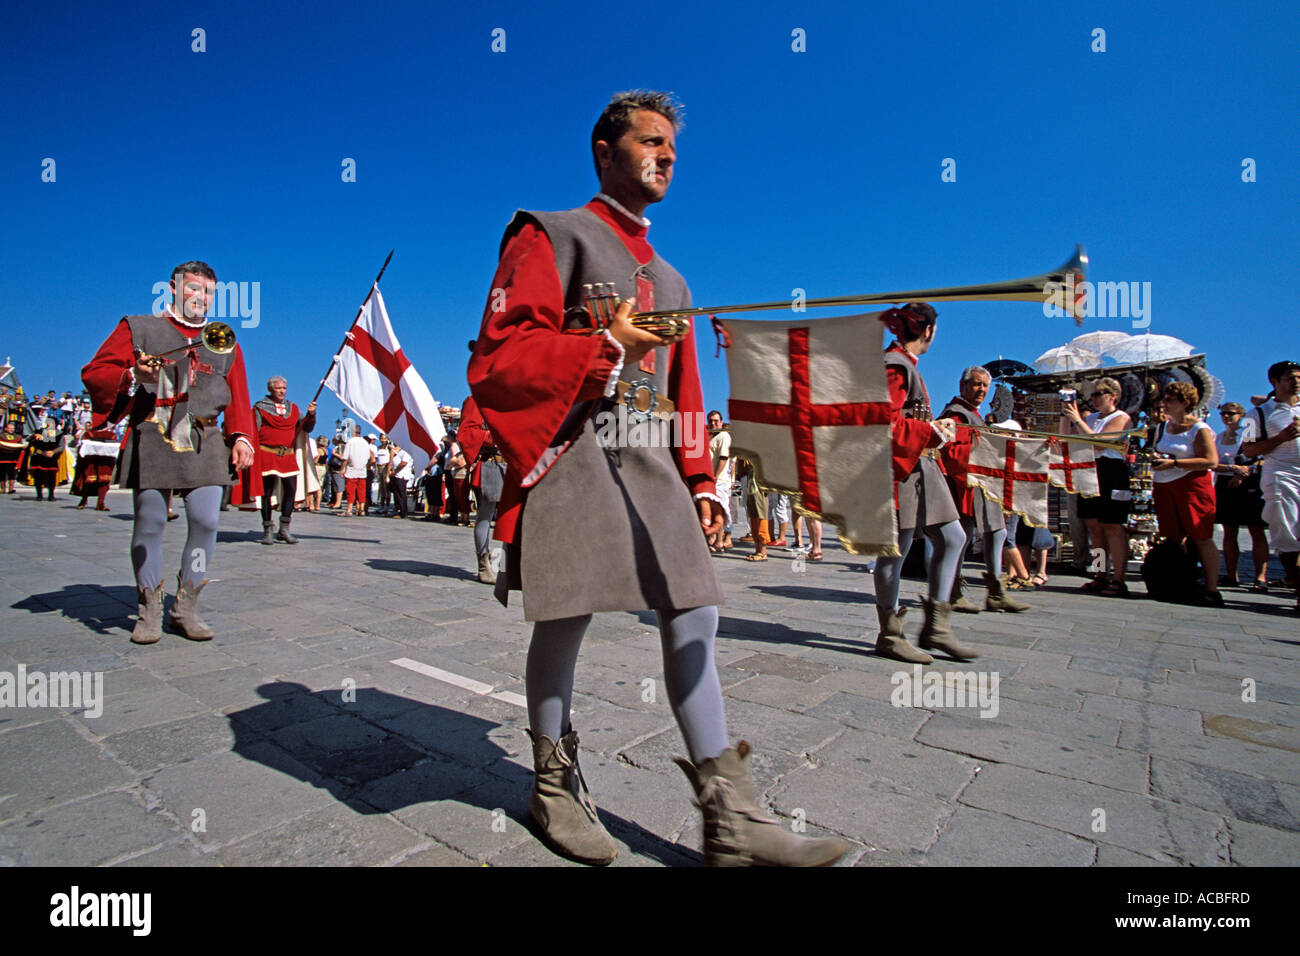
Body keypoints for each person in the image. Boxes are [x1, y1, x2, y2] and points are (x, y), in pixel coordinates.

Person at [467, 90, 846, 867]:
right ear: (605, 152)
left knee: (696, 612)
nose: (667, 155)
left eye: (673, 146)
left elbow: (685, 394)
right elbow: (499, 357)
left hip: (656, 464)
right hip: (574, 458)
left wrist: (703, 478)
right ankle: (551, 786)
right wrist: (603, 344)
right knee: (564, 619)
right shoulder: (551, 234)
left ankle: (731, 819)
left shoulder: (672, 279)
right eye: (650, 141)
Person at [82, 260, 258, 643]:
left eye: (208, 291)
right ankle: (148, 608)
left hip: (206, 440)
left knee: (207, 522)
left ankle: (185, 607)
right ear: (174, 289)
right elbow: (96, 372)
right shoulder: (138, 327)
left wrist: (242, 436)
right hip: (155, 434)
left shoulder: (224, 341)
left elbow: (239, 395)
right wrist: (133, 375)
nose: (201, 297)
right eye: (193, 288)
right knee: (151, 522)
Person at [871, 303, 975, 664]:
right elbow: (883, 422)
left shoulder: (905, 365)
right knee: (893, 551)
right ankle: (890, 633)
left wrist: (931, 431)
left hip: (920, 467)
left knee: (953, 537)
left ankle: (937, 627)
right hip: (899, 469)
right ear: (928, 331)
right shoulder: (896, 366)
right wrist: (930, 430)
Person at [939, 366, 1028, 613]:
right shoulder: (956, 414)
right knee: (961, 540)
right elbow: (951, 453)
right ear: (963, 386)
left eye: (985, 386)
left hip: (982, 485)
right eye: (977, 384)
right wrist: (989, 451)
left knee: (998, 533)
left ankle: (996, 591)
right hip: (965, 486)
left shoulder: (973, 414)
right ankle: (953, 592)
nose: (982, 390)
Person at [1150, 381, 1221, 605]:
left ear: (1185, 403)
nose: (1164, 404)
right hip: (1164, 484)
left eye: (1170, 400)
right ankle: (1181, 580)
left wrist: (1175, 463)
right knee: (1172, 535)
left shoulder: (1198, 429)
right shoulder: (1163, 427)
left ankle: (1212, 587)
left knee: (1201, 536)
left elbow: (1211, 460)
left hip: (1191, 485)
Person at [1062, 377, 1132, 597]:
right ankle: (1100, 573)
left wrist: (1079, 421)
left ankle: (1119, 577)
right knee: (1094, 527)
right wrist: (1067, 415)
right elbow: (1068, 438)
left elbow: (1101, 440)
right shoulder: (1091, 418)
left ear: (1112, 396)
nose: (1093, 399)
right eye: (1091, 395)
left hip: (1111, 471)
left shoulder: (1121, 417)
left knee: (1113, 525)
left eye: (1097, 394)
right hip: (1090, 470)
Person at [1242, 360, 1300, 612]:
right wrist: (1280, 438)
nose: (1296, 381)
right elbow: (1248, 450)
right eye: (1290, 377)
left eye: (1298, 377)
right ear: (1275, 382)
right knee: (1285, 532)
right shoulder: (1255, 415)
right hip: (1280, 475)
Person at [254, 376, 316, 544]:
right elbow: (255, 430)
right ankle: (267, 529)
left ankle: (284, 529)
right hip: (267, 454)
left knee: (290, 490)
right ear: (270, 390)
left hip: (287, 455)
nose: (282, 391)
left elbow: (306, 427)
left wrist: (311, 414)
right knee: (266, 493)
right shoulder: (260, 408)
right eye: (278, 388)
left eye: (284, 388)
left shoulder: (293, 408)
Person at [1213, 402, 1269, 590]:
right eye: (1223, 413)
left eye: (1231, 413)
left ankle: (1260, 576)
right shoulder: (1219, 437)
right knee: (1229, 531)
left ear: (1240, 415)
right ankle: (1231, 574)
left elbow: (1259, 457)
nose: (1226, 416)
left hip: (1248, 483)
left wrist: (1243, 472)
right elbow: (1213, 462)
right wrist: (1229, 469)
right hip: (1224, 483)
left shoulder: (1247, 433)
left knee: (1256, 530)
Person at [72, 421, 119, 511]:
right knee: (90, 481)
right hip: (92, 461)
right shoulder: (90, 433)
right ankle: (86, 501)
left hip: (104, 462)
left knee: (101, 482)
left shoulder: (111, 435)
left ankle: (99, 503)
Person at [707, 410, 734, 552]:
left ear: (721, 421)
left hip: (720, 479)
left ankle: (719, 541)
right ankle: (716, 540)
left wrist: (716, 476)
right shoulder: (712, 437)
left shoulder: (723, 436)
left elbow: (724, 458)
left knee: (720, 510)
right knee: (715, 510)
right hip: (713, 479)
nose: (713, 423)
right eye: (710, 420)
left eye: (716, 420)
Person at [24, 422, 64, 500]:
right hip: (39, 457)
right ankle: (39, 495)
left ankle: (51, 495)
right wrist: (34, 436)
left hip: (51, 457)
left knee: (51, 477)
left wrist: (53, 452)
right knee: (38, 477)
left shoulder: (59, 434)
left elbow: (61, 446)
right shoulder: (40, 431)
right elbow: (28, 439)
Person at [339, 425, 374, 517]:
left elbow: (345, 457)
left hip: (351, 469)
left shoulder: (350, 442)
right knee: (361, 490)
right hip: (362, 470)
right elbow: (368, 457)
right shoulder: (365, 442)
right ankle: (361, 510)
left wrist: (342, 469)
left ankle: (349, 510)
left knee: (350, 490)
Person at [388, 441, 413, 518]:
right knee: (397, 494)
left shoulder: (406, 452)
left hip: (402, 475)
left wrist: (395, 471)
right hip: (397, 475)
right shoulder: (401, 451)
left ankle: (403, 512)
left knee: (401, 494)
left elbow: (403, 463)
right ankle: (399, 510)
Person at [0, 421, 24, 494]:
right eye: (10, 428)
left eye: (12, 428)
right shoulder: (1, 436)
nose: (11, 430)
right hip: (2, 457)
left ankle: (11, 488)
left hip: (12, 457)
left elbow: (21, 446)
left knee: (12, 474)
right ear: (6, 429)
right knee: (1, 474)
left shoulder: (18, 437)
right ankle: (2, 489)